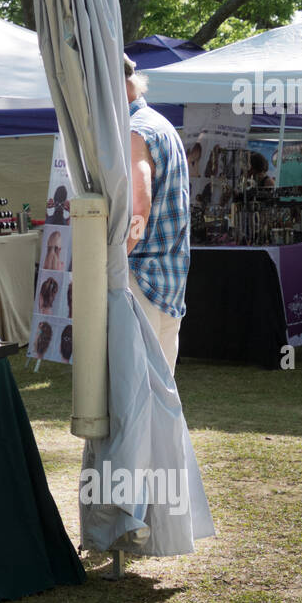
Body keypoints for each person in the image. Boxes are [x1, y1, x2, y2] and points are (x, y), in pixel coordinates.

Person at [125, 54, 190, 373]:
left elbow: (141, 202)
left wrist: (118, 253)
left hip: (142, 272)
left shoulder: (136, 130)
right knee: (163, 383)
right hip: (169, 273)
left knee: (139, 383)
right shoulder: (160, 124)